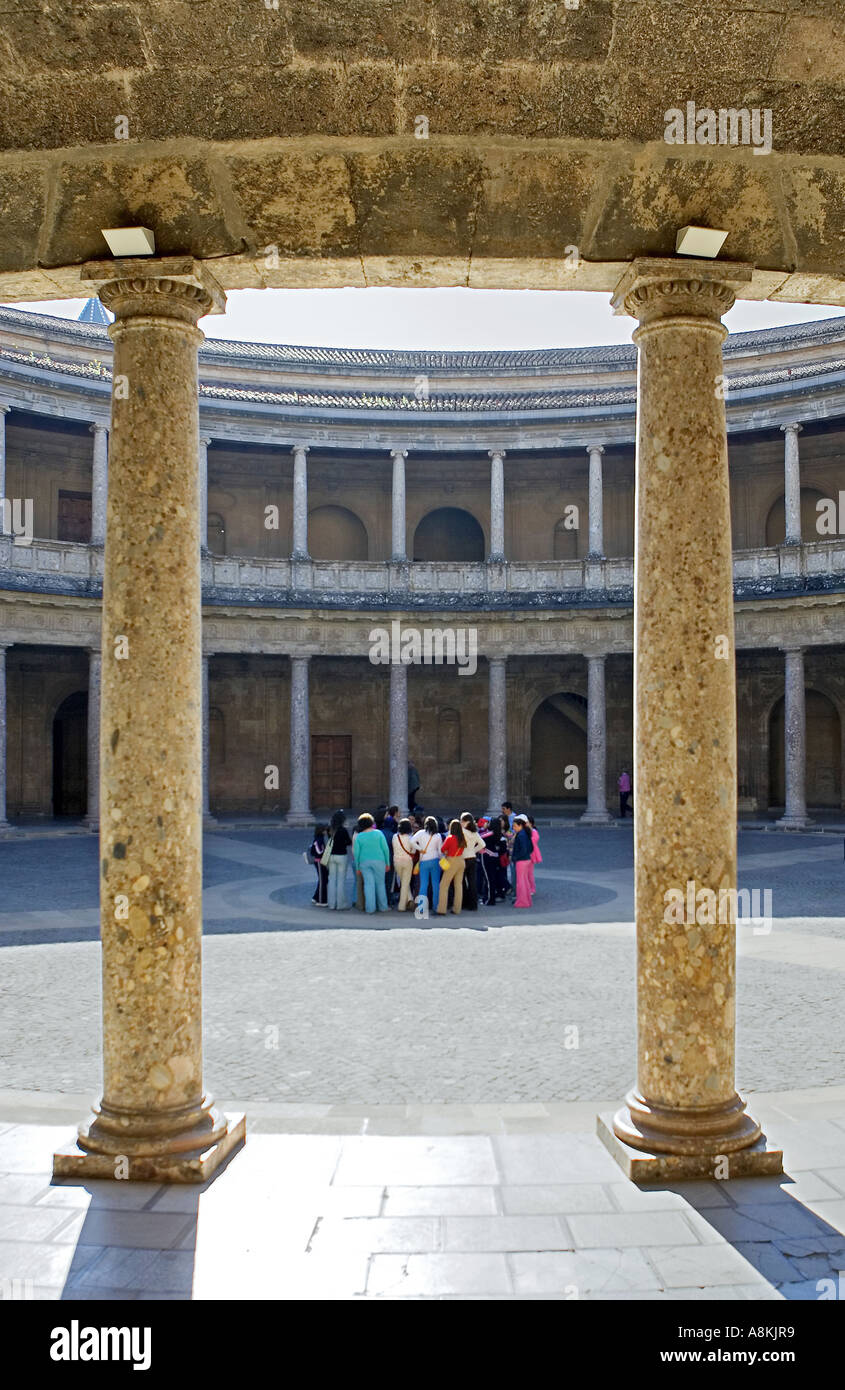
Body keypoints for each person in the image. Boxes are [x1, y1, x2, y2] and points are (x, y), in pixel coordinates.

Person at [353, 812, 391, 913]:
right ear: (371, 822)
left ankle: (370, 908)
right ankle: (383, 907)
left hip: (364, 862)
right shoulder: (378, 833)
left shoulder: (359, 836)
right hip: (379, 861)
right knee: (380, 884)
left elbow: (356, 853)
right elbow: (385, 849)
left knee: (368, 885)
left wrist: (357, 867)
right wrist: (388, 863)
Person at [436, 818, 466, 916]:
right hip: (461, 861)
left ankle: (442, 909)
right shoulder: (462, 837)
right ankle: (457, 909)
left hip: (452, 860)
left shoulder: (450, 837)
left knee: (444, 885)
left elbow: (442, 849)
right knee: (458, 885)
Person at [412, 815, 442, 909]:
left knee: (423, 884)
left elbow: (411, 841)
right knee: (436, 884)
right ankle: (436, 906)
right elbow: (440, 851)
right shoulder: (438, 835)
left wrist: (420, 849)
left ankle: (421, 908)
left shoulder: (420, 833)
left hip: (423, 860)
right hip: (435, 861)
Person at [326, 809, 352, 911]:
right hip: (341, 855)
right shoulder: (343, 830)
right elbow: (348, 842)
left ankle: (331, 904)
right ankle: (341, 904)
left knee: (332, 880)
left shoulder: (330, 829)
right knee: (341, 880)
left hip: (331, 856)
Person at [459, 812, 485, 912]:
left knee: (461, 881)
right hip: (472, 858)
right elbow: (482, 844)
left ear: (467, 822)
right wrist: (473, 851)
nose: (461, 822)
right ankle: (473, 905)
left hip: (463, 858)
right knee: (472, 882)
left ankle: (464, 902)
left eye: (463, 821)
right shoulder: (475, 832)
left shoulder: (461, 831)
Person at [392, 817, 418, 912]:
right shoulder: (411, 838)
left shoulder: (395, 836)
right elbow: (414, 851)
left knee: (403, 882)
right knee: (405, 883)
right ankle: (402, 906)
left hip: (397, 862)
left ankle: (410, 899)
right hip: (407, 862)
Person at [512, 814, 535, 908]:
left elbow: (523, 849)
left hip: (521, 860)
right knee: (524, 881)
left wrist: (516, 857)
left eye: (515, 826)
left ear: (520, 825)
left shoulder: (520, 835)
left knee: (520, 882)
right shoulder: (526, 833)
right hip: (527, 859)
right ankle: (526, 900)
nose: (513, 828)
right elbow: (531, 848)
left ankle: (522, 901)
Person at [308, 822, 329, 905]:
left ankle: (316, 897)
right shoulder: (318, 840)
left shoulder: (319, 838)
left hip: (320, 861)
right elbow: (319, 851)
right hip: (319, 862)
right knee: (323, 880)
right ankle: (321, 900)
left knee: (323, 879)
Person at [527, 815, 542, 897]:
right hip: (527, 853)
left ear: (531, 824)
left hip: (531, 853)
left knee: (529, 873)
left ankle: (532, 888)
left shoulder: (534, 831)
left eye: (527, 823)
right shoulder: (526, 831)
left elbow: (534, 840)